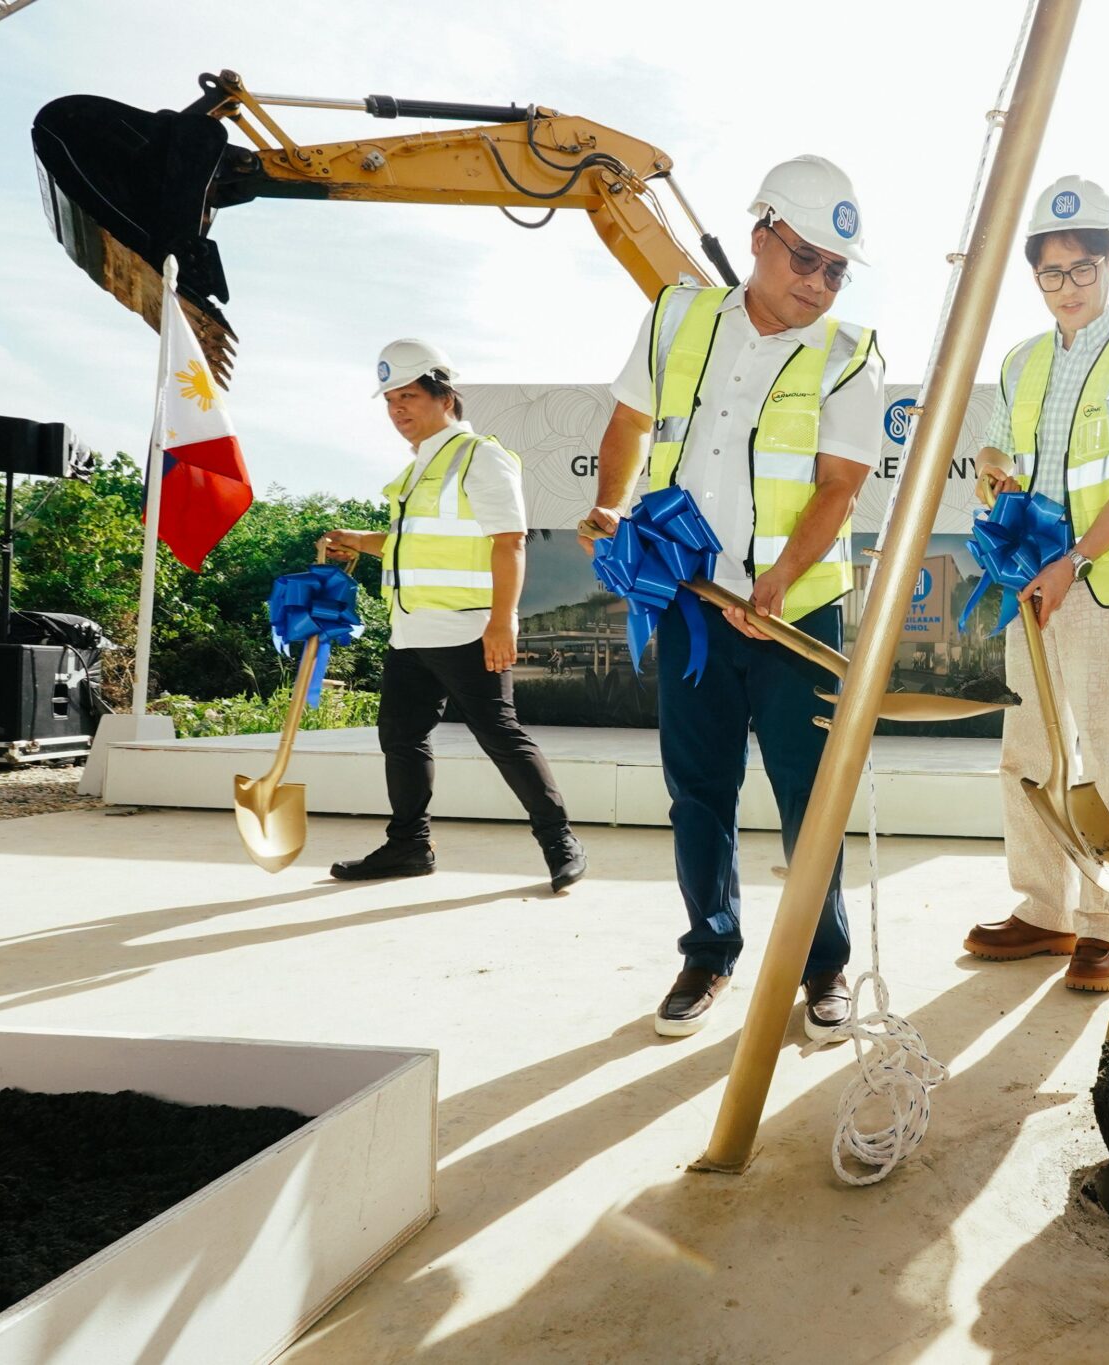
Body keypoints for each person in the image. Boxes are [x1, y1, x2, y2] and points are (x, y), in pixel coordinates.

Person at [582, 155, 884, 1042]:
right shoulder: (677, 314)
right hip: (688, 602)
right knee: (700, 788)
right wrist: (609, 501)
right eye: (805, 259)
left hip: (796, 613)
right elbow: (632, 418)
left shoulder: (849, 353)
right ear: (760, 237)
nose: (820, 283)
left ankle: (822, 964)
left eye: (836, 270)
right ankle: (709, 952)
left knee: (809, 794)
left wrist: (780, 583)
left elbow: (839, 486)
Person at [960, 176, 1109, 993]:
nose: (1067, 287)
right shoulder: (1020, 361)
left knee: (1108, 751)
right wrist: (992, 474)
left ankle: (1103, 925)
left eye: (1081, 269)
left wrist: (1074, 560)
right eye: (1051, 273)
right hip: (1029, 584)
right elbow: (993, 449)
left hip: (1104, 584)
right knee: (1030, 749)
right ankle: (1044, 911)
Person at [321, 339, 587, 893]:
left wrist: (502, 621)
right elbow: (410, 544)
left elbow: (510, 542)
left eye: (410, 396)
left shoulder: (478, 456)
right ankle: (409, 846)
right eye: (390, 400)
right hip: (411, 631)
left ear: (445, 396)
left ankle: (560, 841)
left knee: (501, 736)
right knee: (400, 737)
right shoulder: (420, 468)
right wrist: (357, 542)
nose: (398, 410)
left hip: (467, 629)